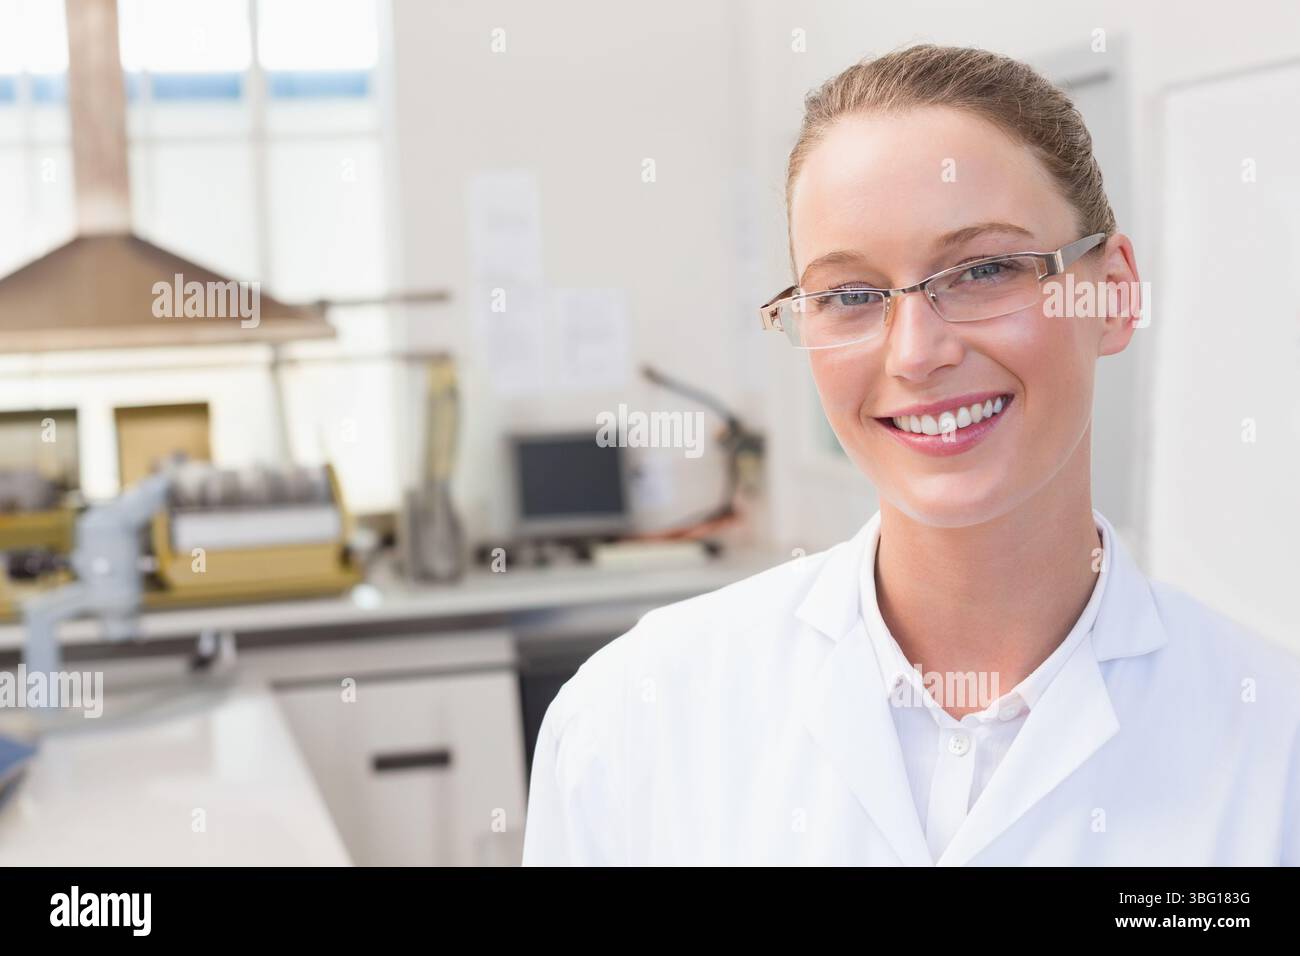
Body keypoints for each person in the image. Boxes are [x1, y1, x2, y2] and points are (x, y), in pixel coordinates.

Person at [520, 44, 1300, 866]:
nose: (915, 353)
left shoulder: (1272, 743)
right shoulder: (631, 720)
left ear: (1112, 294)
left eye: (985, 270)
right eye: (850, 296)